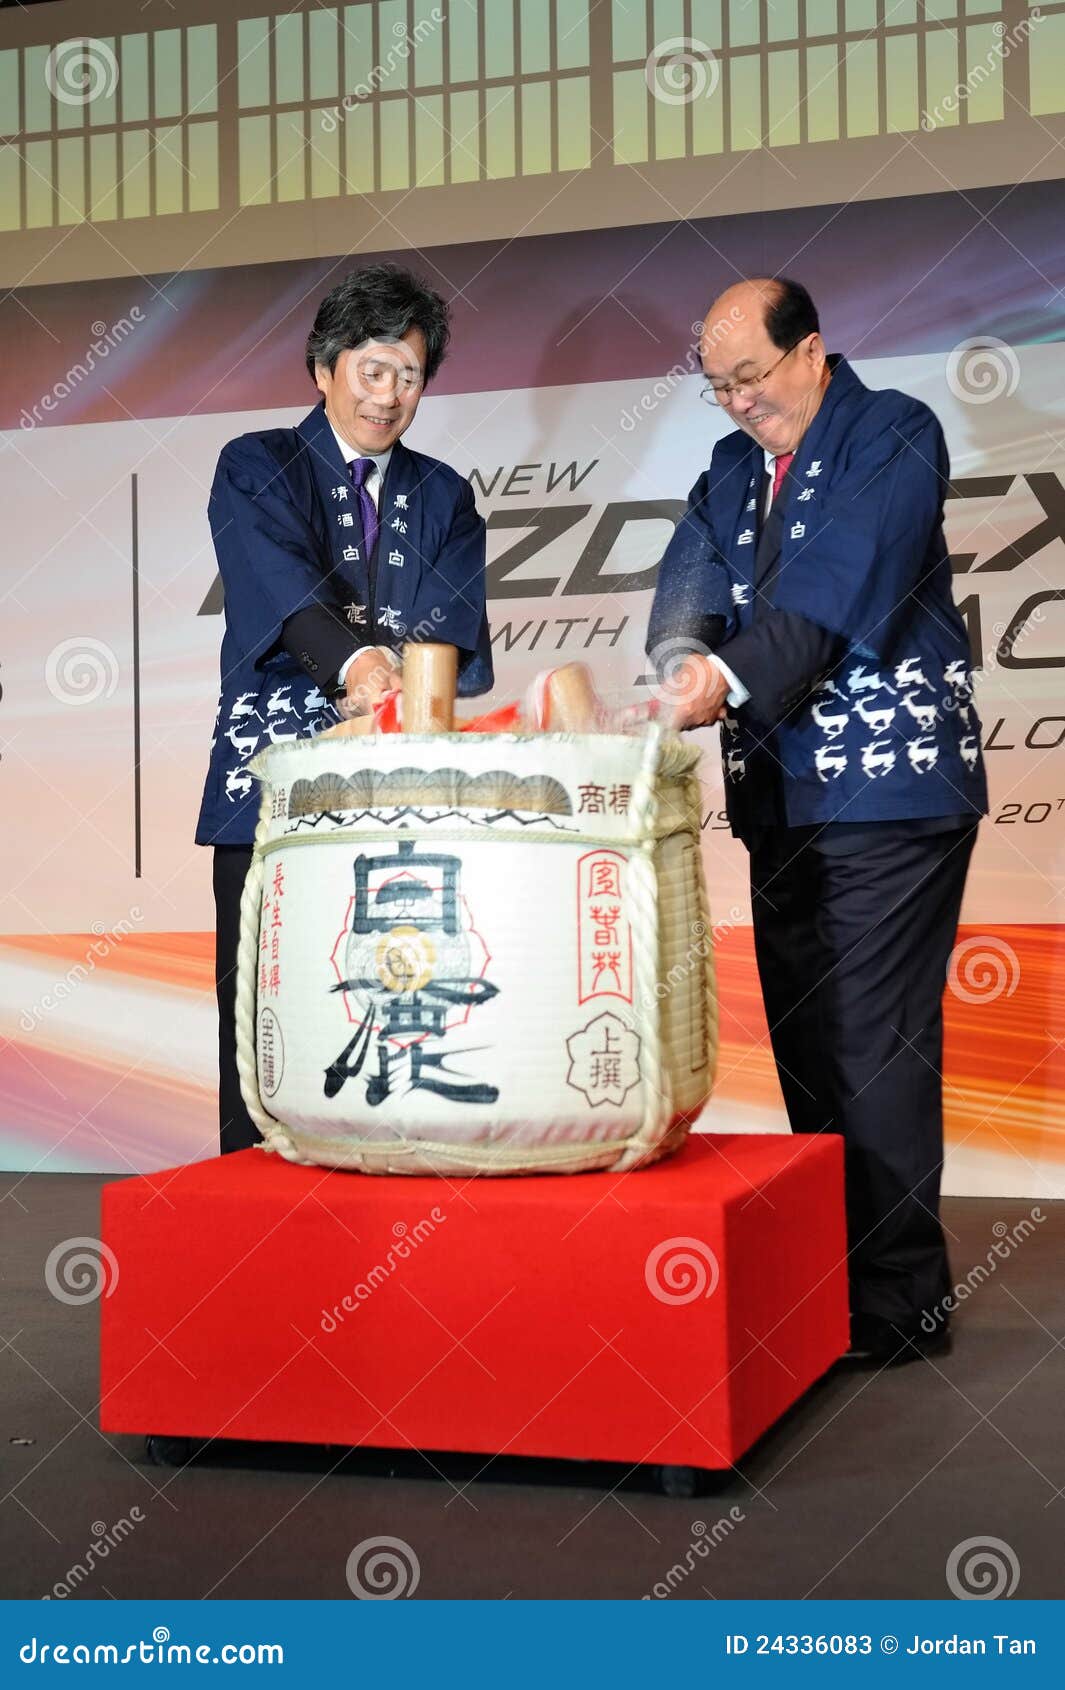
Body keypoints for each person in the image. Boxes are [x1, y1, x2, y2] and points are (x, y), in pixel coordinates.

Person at [647, 276, 988, 1365]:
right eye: (719, 388)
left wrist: (727, 678)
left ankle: (900, 1306)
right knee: (805, 1036)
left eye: (751, 377)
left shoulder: (893, 432)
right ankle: (840, 1280)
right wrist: (676, 671)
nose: (741, 402)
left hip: (886, 793)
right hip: (782, 794)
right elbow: (690, 587)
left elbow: (835, 594)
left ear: (813, 351)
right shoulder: (730, 467)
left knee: (869, 1036)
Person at [196, 264, 493, 1155]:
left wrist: (409, 697)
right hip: (277, 788)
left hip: (398, 794)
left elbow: (453, 631)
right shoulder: (257, 465)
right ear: (322, 368)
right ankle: (253, 1219)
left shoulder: (443, 494)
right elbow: (279, 595)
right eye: (372, 369)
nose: (389, 394)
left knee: (388, 995)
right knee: (266, 1008)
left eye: (408, 375)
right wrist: (361, 667)